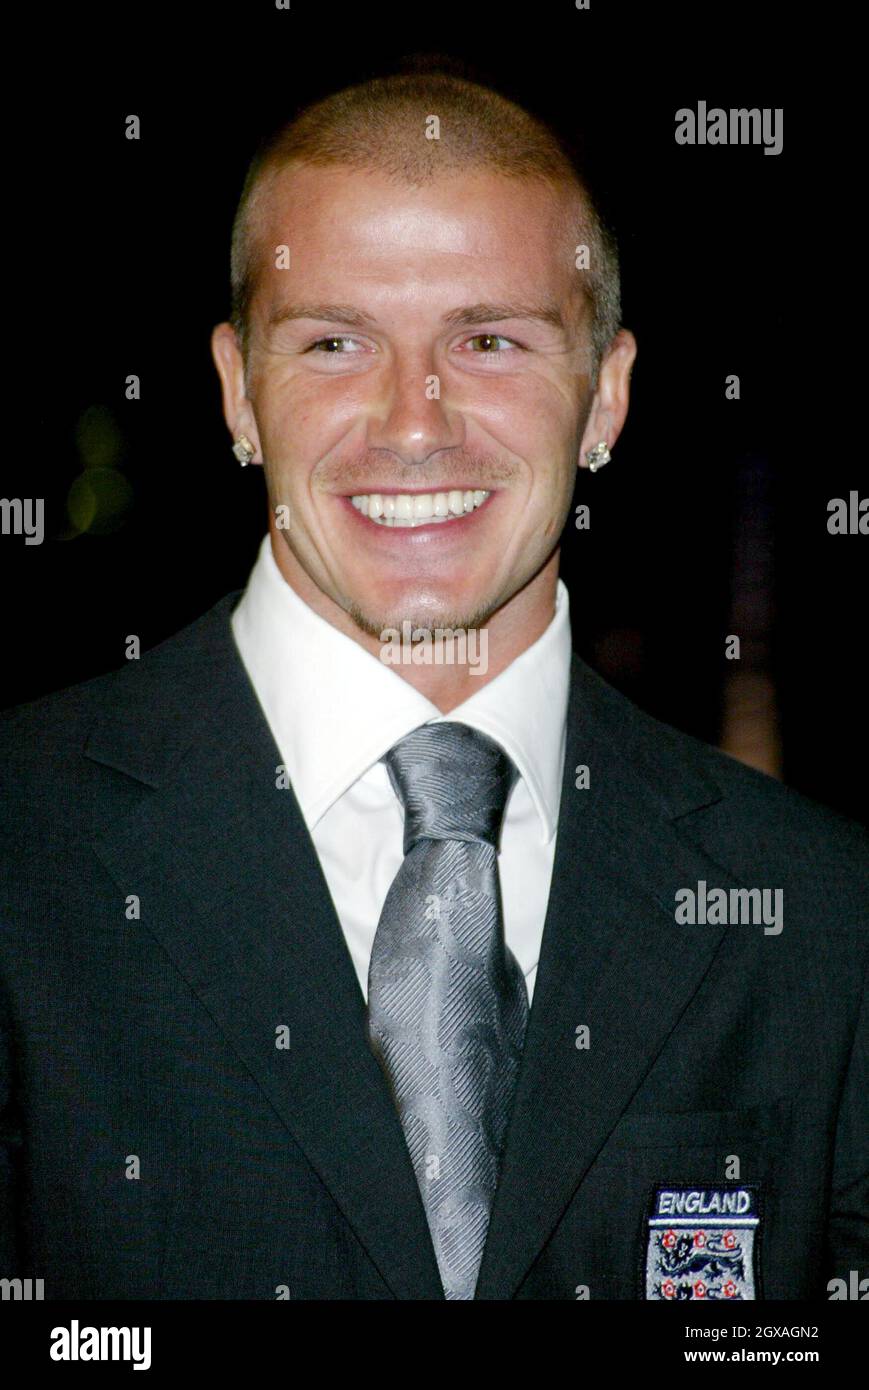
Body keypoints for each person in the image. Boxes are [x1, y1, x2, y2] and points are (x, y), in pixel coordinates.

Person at [1, 71, 866, 1302]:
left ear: (605, 396)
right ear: (238, 390)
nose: (415, 423)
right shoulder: (23, 849)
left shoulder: (820, 913)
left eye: (489, 339)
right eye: (336, 342)